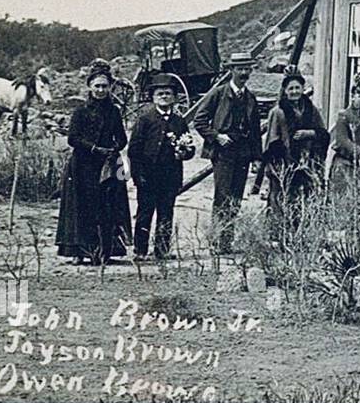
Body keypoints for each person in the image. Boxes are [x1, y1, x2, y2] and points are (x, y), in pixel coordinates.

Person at [56, 59, 130, 264]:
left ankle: (105, 252)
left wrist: (115, 149)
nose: (100, 90)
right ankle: (79, 253)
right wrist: (94, 148)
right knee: (82, 207)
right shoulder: (80, 111)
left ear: (110, 87)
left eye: (104, 86)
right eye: (97, 86)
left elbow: (122, 137)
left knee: (106, 206)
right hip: (83, 165)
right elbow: (73, 138)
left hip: (107, 165)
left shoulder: (114, 111)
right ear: (89, 87)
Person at [193, 51, 263, 253]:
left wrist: (257, 157)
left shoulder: (250, 98)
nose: (244, 73)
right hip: (223, 153)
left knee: (236, 197)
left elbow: (256, 132)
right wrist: (217, 136)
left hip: (243, 153)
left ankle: (227, 242)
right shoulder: (218, 93)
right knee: (222, 196)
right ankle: (217, 241)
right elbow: (199, 121)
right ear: (231, 70)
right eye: (240, 68)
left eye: (247, 69)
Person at [127, 73, 196, 259]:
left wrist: (185, 153)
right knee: (145, 213)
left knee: (166, 213)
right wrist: (137, 175)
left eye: (168, 93)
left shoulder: (179, 122)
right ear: (153, 97)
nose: (164, 96)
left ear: (174, 97)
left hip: (170, 176)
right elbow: (133, 150)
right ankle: (140, 250)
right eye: (160, 93)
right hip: (148, 176)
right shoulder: (145, 120)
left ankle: (162, 250)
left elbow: (190, 148)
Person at [263, 69, 330, 231]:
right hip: (285, 162)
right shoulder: (278, 112)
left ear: (302, 89)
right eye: (291, 89)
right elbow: (272, 141)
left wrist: (310, 133)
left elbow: (323, 133)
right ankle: (278, 235)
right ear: (285, 91)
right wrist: (276, 165)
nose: (294, 92)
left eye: (297, 88)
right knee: (281, 199)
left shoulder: (311, 110)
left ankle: (303, 234)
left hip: (307, 162)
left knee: (306, 198)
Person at [329, 73, 360, 199]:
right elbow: (342, 140)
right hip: (345, 163)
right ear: (352, 96)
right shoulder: (344, 116)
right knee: (344, 199)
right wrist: (359, 153)